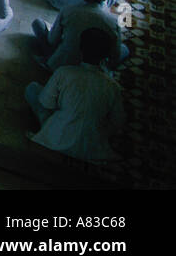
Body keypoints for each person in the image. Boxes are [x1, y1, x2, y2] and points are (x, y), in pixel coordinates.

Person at [26, 28, 125, 162]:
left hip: (57, 137)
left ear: (80, 48)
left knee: (32, 89)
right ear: (106, 55)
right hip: (93, 148)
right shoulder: (113, 87)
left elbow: (45, 103)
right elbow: (117, 122)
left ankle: (49, 130)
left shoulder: (64, 72)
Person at [32, 0, 127, 72]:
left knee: (38, 24)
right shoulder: (113, 22)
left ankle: (49, 58)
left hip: (62, 64)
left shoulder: (69, 11)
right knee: (124, 49)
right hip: (95, 71)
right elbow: (115, 57)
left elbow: (52, 40)